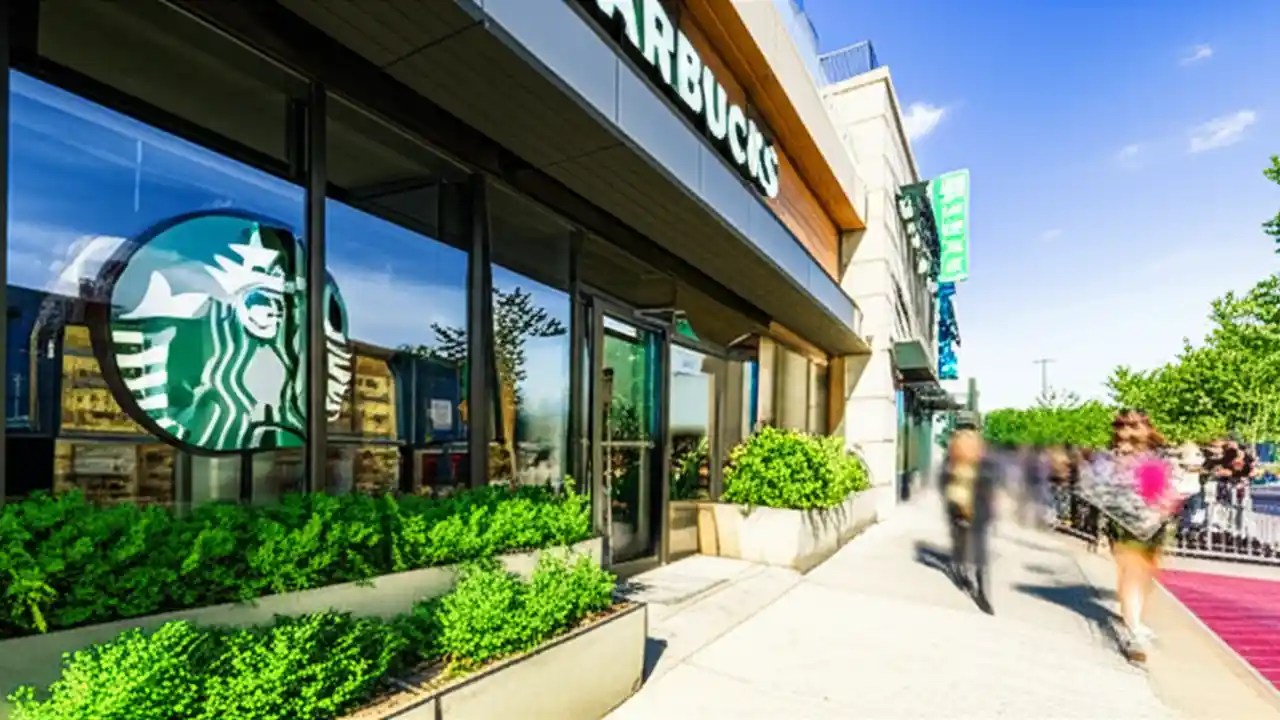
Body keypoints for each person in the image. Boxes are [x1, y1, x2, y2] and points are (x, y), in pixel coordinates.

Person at [1105, 410, 1179, 662]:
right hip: (1128, 521)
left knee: (1145, 572)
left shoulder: (1156, 455)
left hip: (1154, 520)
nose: (1128, 431)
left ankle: (1134, 618)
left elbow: (1160, 487)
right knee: (1133, 571)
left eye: (1135, 425)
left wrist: (1166, 503)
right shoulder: (1118, 456)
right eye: (1123, 426)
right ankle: (1133, 626)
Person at [940, 416, 1000, 614]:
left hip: (959, 503)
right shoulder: (980, 451)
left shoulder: (954, 452)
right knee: (978, 549)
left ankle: (962, 573)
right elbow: (990, 480)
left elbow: (943, 479)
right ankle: (981, 593)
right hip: (975, 506)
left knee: (961, 542)